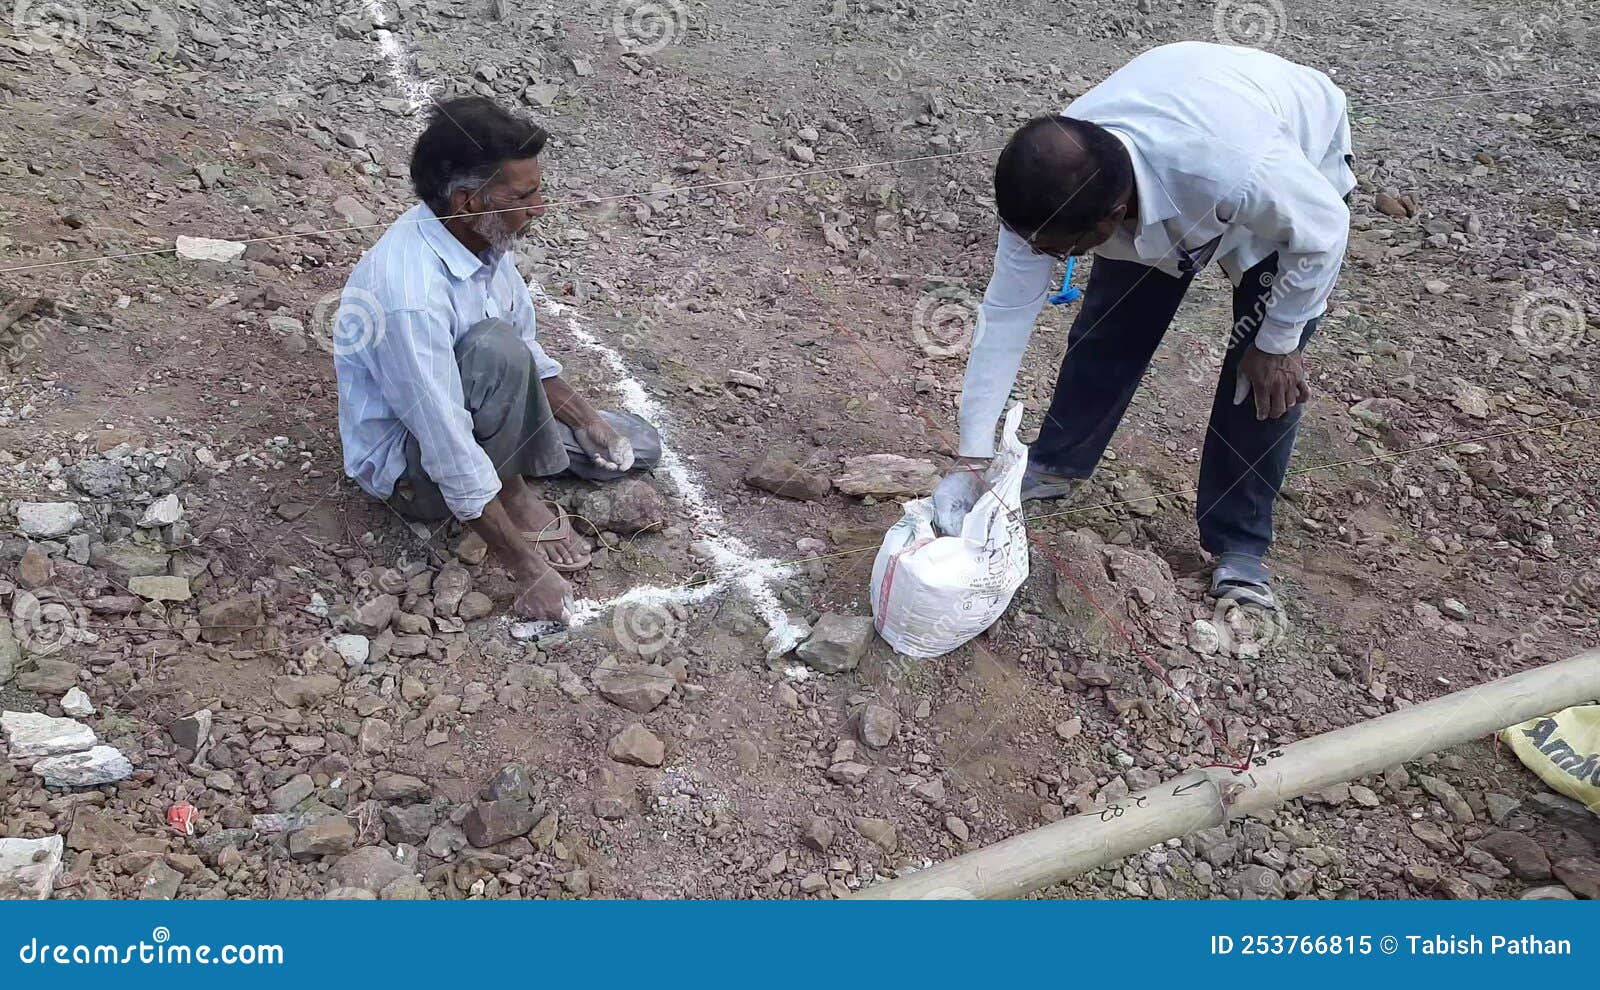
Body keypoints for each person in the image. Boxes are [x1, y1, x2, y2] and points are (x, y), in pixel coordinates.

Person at [958, 42, 1356, 611]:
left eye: (1058, 250)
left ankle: (1240, 548)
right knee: (1110, 329)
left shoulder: (1240, 170)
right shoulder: (1045, 192)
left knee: (1261, 378)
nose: (1042, 256)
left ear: (1112, 217)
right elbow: (1004, 317)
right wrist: (973, 460)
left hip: (1292, 153)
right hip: (1175, 142)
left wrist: (1279, 341)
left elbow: (1324, 231)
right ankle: (1056, 462)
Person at [333, 97, 659, 621]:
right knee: (492, 347)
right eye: (524, 195)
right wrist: (526, 568)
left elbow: (528, 351)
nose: (539, 208)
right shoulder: (408, 297)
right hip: (414, 468)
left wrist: (588, 421)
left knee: (636, 443)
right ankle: (513, 493)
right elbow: (447, 445)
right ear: (467, 200)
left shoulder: (482, 238)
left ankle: (518, 475)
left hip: (475, 410)